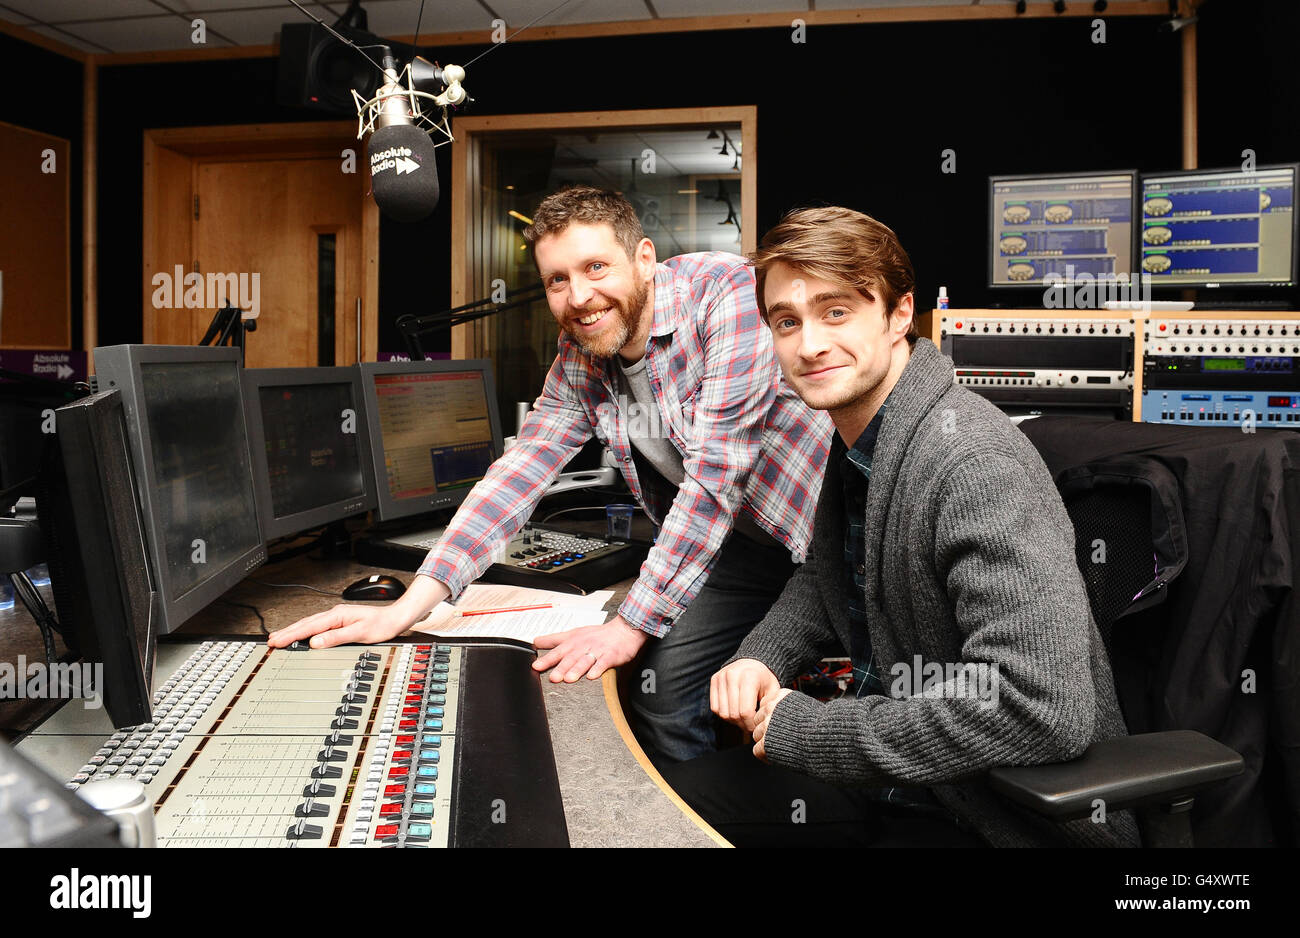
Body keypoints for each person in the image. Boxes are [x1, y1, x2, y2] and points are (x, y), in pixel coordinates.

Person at [269, 186, 830, 762]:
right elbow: (517, 475)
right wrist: (405, 609)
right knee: (664, 700)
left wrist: (627, 626)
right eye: (557, 280)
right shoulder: (581, 352)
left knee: (849, 694)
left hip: (820, 540)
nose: (579, 296)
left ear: (643, 259)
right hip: (735, 548)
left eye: (595, 267)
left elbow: (716, 479)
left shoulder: (725, 293)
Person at [661, 206, 1140, 847]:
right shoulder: (864, 434)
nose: (809, 344)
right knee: (667, 807)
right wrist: (761, 657)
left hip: (991, 815)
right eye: (786, 321)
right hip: (902, 777)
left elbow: (1042, 707)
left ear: (898, 316)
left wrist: (811, 731)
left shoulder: (972, 463)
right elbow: (827, 576)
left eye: (836, 312)